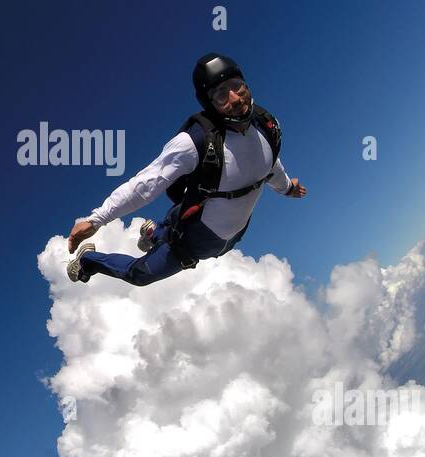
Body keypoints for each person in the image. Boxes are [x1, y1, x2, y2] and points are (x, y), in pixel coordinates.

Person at [66, 53, 306, 287]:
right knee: (139, 275)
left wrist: (287, 188)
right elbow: (145, 184)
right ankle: (88, 260)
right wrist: (97, 220)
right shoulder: (194, 142)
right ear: (209, 103)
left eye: (237, 86)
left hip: (225, 233)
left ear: (246, 84)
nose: (235, 99)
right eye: (221, 94)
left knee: (175, 225)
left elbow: (269, 165)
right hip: (190, 238)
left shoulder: (266, 125)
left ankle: (153, 233)